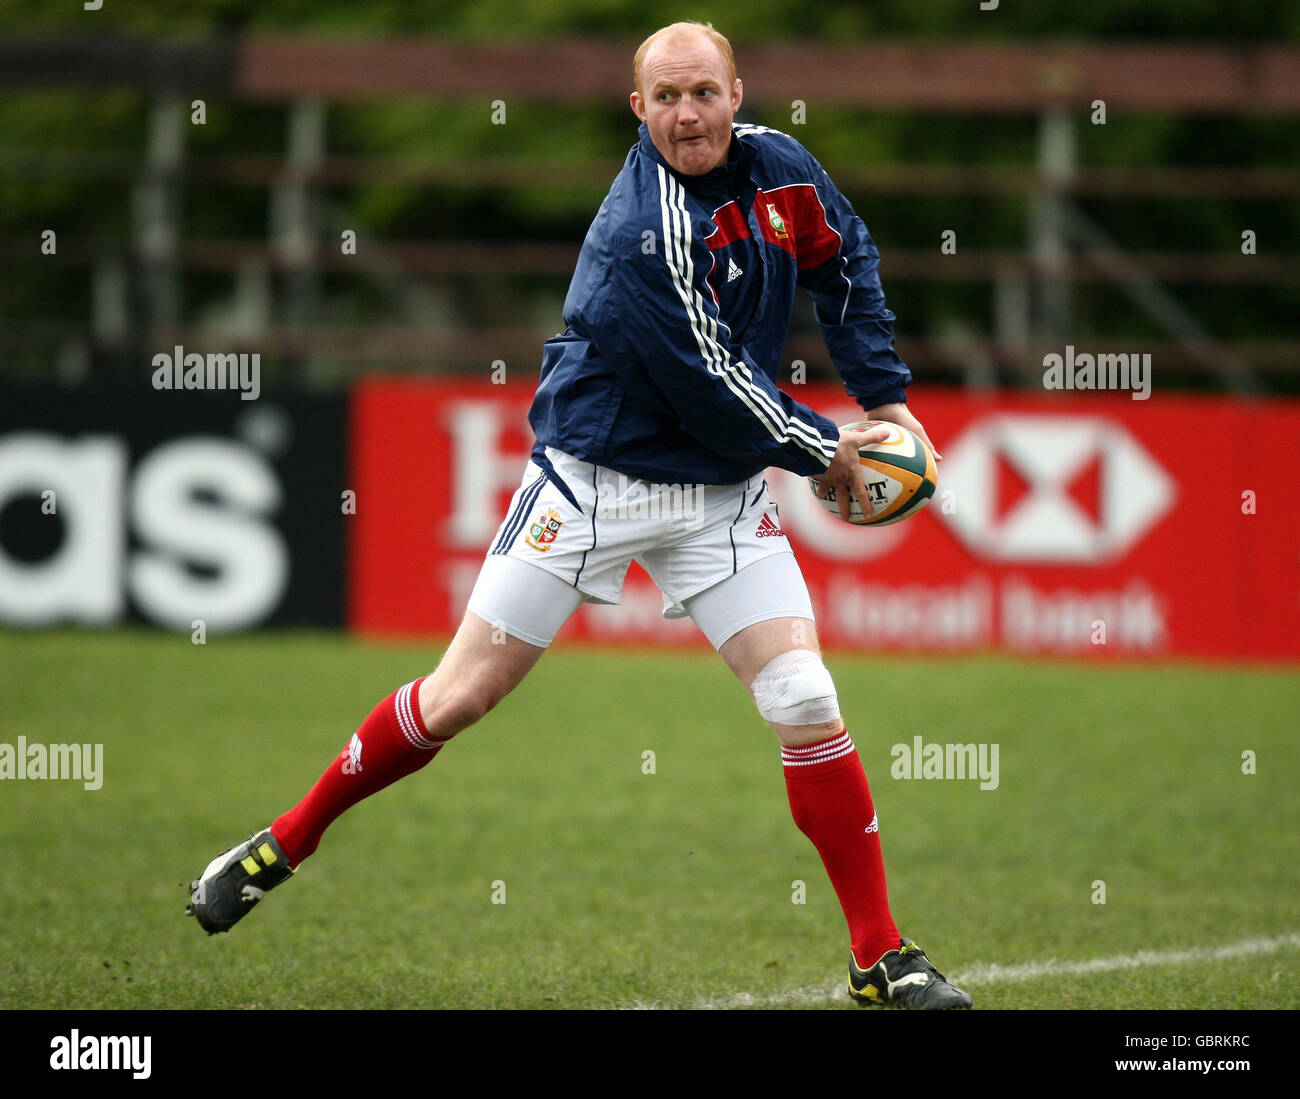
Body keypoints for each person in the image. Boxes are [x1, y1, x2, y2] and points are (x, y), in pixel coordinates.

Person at [187, 20, 971, 1010]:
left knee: (807, 699)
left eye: (705, 92)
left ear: (738, 92)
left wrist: (887, 397)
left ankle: (879, 957)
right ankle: (285, 839)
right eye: (667, 98)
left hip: (718, 498)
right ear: (635, 109)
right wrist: (828, 448)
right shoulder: (642, 224)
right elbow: (708, 383)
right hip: (596, 484)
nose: (688, 114)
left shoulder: (781, 168)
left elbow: (844, 261)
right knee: (455, 699)